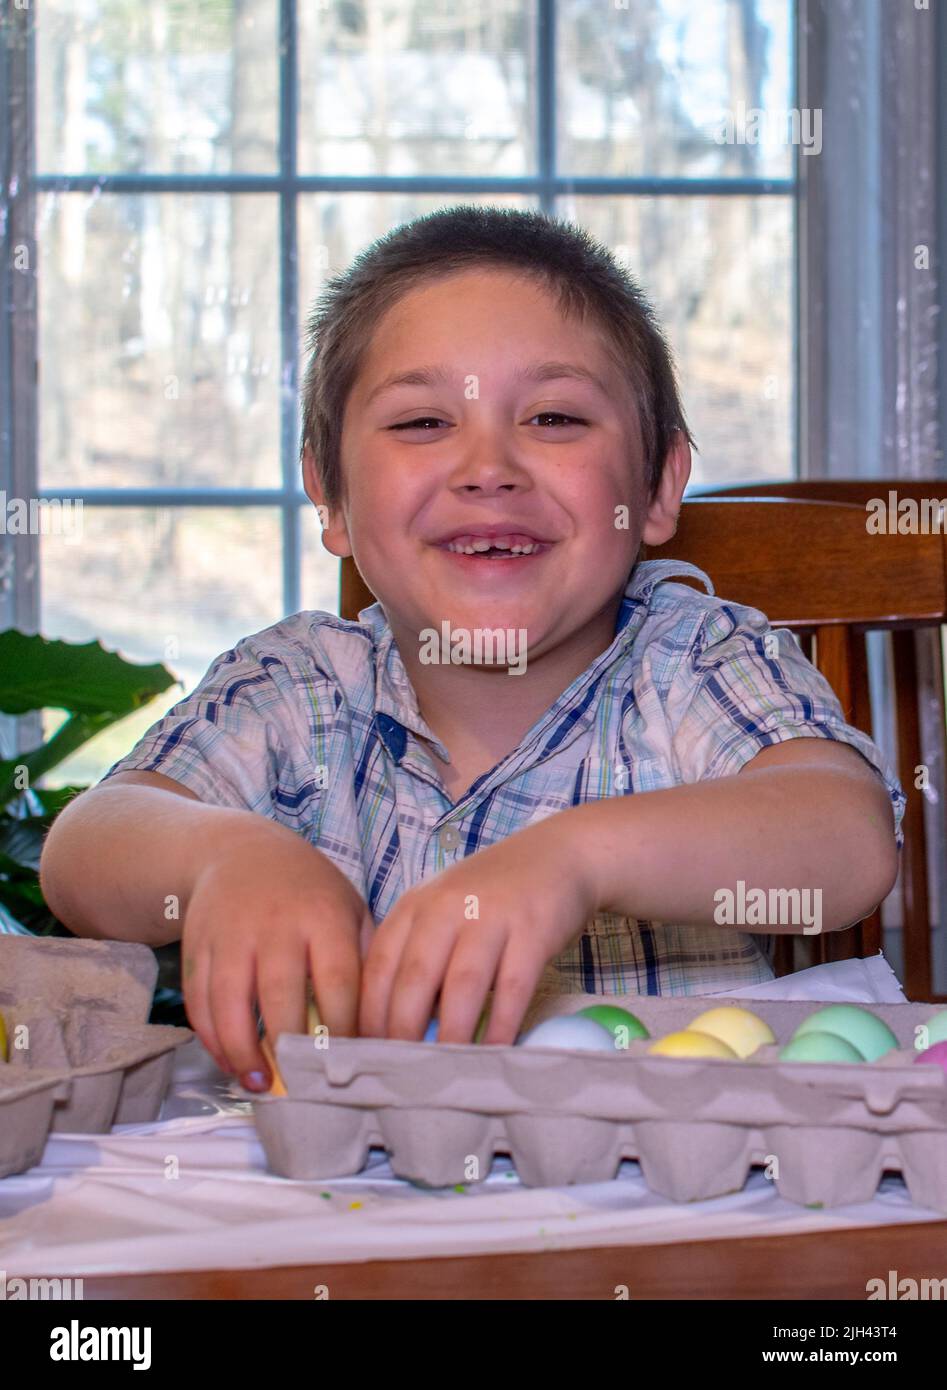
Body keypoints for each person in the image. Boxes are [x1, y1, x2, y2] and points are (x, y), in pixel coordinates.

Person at [39, 206, 904, 1092]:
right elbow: (83, 857)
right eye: (421, 423)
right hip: (356, 1199)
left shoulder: (691, 660)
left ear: (655, 484)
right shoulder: (299, 687)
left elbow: (845, 842)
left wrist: (578, 859)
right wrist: (218, 856)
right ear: (329, 496)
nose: (487, 466)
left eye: (556, 417)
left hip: (669, 1195)